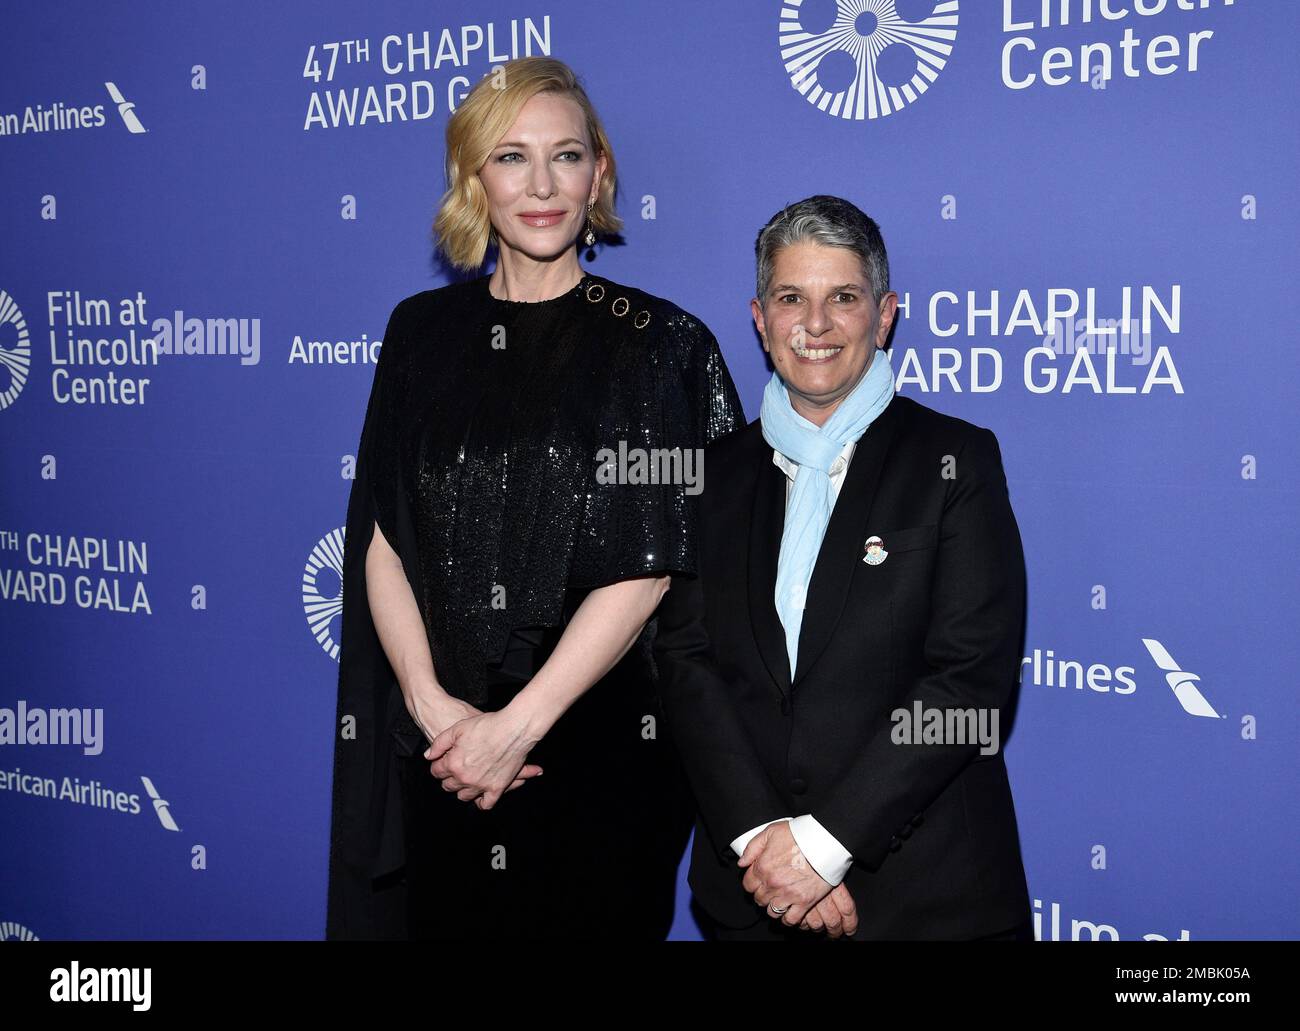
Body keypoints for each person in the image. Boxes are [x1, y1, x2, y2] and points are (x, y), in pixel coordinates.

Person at [325, 56, 744, 940]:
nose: (543, 184)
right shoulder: (420, 333)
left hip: (595, 758)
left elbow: (651, 567)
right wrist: (437, 711)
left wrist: (516, 728)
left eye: (567, 155)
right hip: (442, 749)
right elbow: (383, 537)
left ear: (601, 173)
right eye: (512, 157)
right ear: (474, 177)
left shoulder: (658, 344)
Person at [653, 195, 1033, 941]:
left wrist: (823, 848)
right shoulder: (706, 476)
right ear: (760, 318)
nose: (816, 324)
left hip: (925, 898)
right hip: (750, 891)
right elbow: (684, 662)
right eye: (792, 297)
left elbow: (969, 681)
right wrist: (766, 841)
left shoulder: (956, 461)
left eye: (844, 298)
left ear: (885, 314)